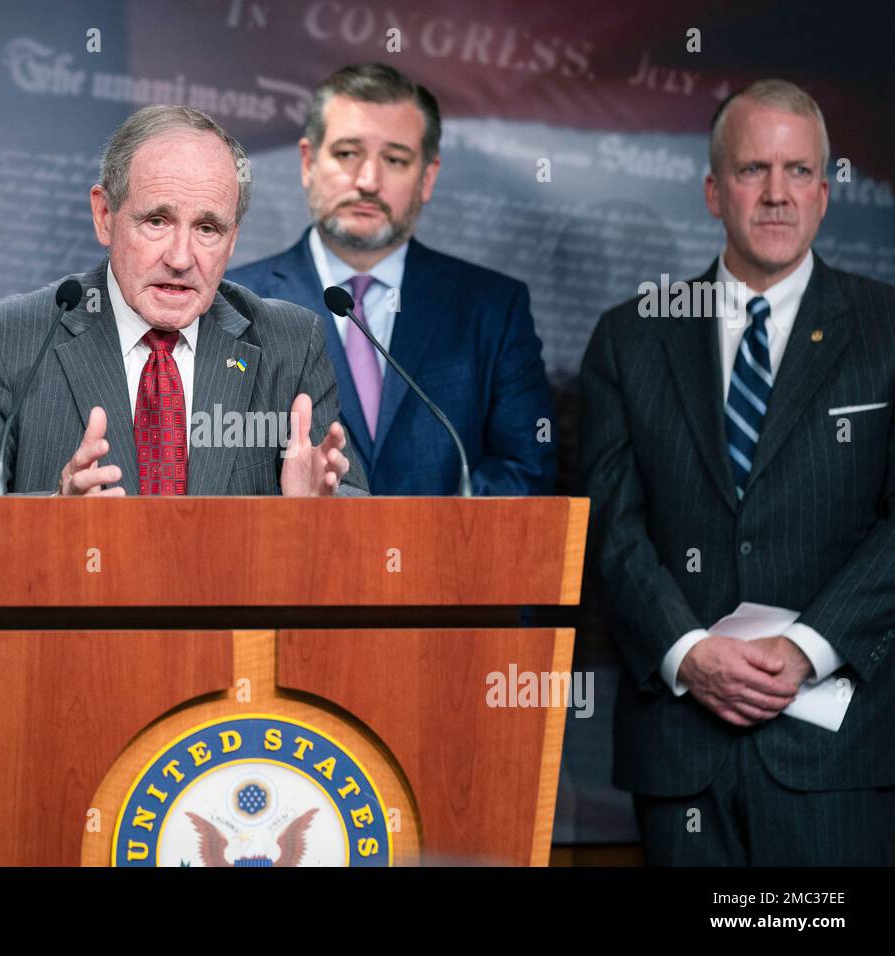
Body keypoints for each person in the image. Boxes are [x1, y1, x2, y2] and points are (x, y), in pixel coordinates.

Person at [580, 79, 895, 865]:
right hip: (683, 753)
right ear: (715, 192)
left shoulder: (888, 331)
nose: (778, 195)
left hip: (841, 755)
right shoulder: (629, 338)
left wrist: (808, 648)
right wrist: (687, 651)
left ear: (825, 194)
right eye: (754, 171)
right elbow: (610, 528)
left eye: (798, 173)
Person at [0, 105, 365, 497]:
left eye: (207, 229)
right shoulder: (8, 338)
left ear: (232, 242)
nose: (181, 258)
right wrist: (50, 512)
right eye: (156, 221)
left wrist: (314, 516)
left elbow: (354, 505)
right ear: (104, 216)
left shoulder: (288, 343)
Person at [227, 63, 555, 495]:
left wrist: (414, 543)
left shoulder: (493, 308)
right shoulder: (232, 303)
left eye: (395, 160)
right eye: (347, 153)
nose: (368, 181)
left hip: (446, 561)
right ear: (308, 162)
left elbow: (525, 470)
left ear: (427, 177)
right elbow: (215, 472)